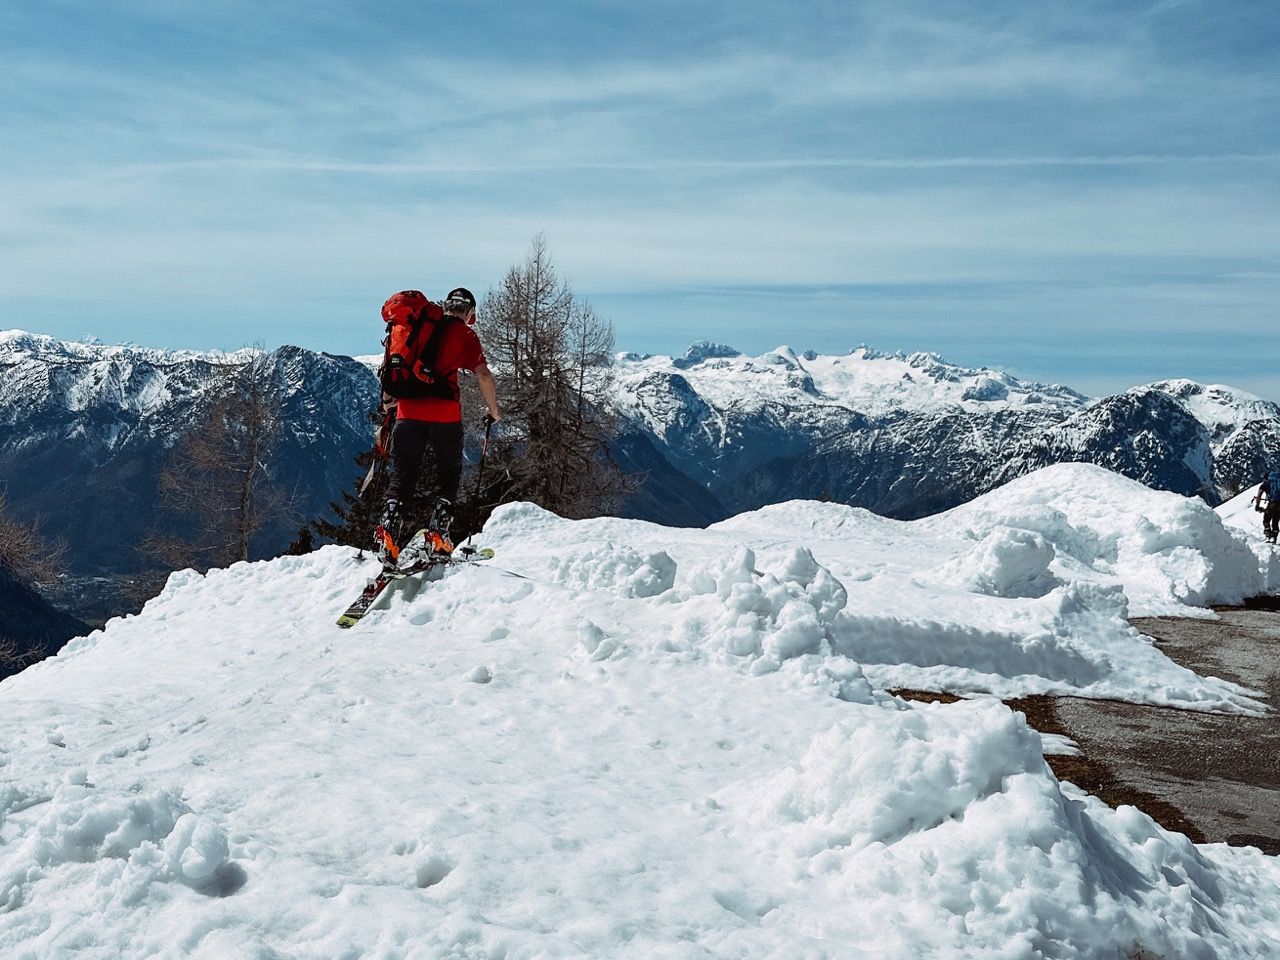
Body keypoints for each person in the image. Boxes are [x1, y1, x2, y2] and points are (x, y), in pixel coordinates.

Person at [376, 287, 501, 565]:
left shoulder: (418, 326)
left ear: (445, 306)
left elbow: (391, 366)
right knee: (448, 475)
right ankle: (438, 535)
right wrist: (493, 411)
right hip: (445, 417)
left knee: (403, 476)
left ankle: (389, 530)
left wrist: (388, 403)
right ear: (471, 315)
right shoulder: (466, 334)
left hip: (407, 414)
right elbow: (483, 375)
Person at [1252, 469, 1280, 544]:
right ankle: (1274, 537)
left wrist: (1257, 506)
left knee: (1266, 520)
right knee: (1275, 521)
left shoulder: (1265, 484)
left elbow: (1259, 495)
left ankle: (1269, 535)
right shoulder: (1277, 480)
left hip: (1273, 502)